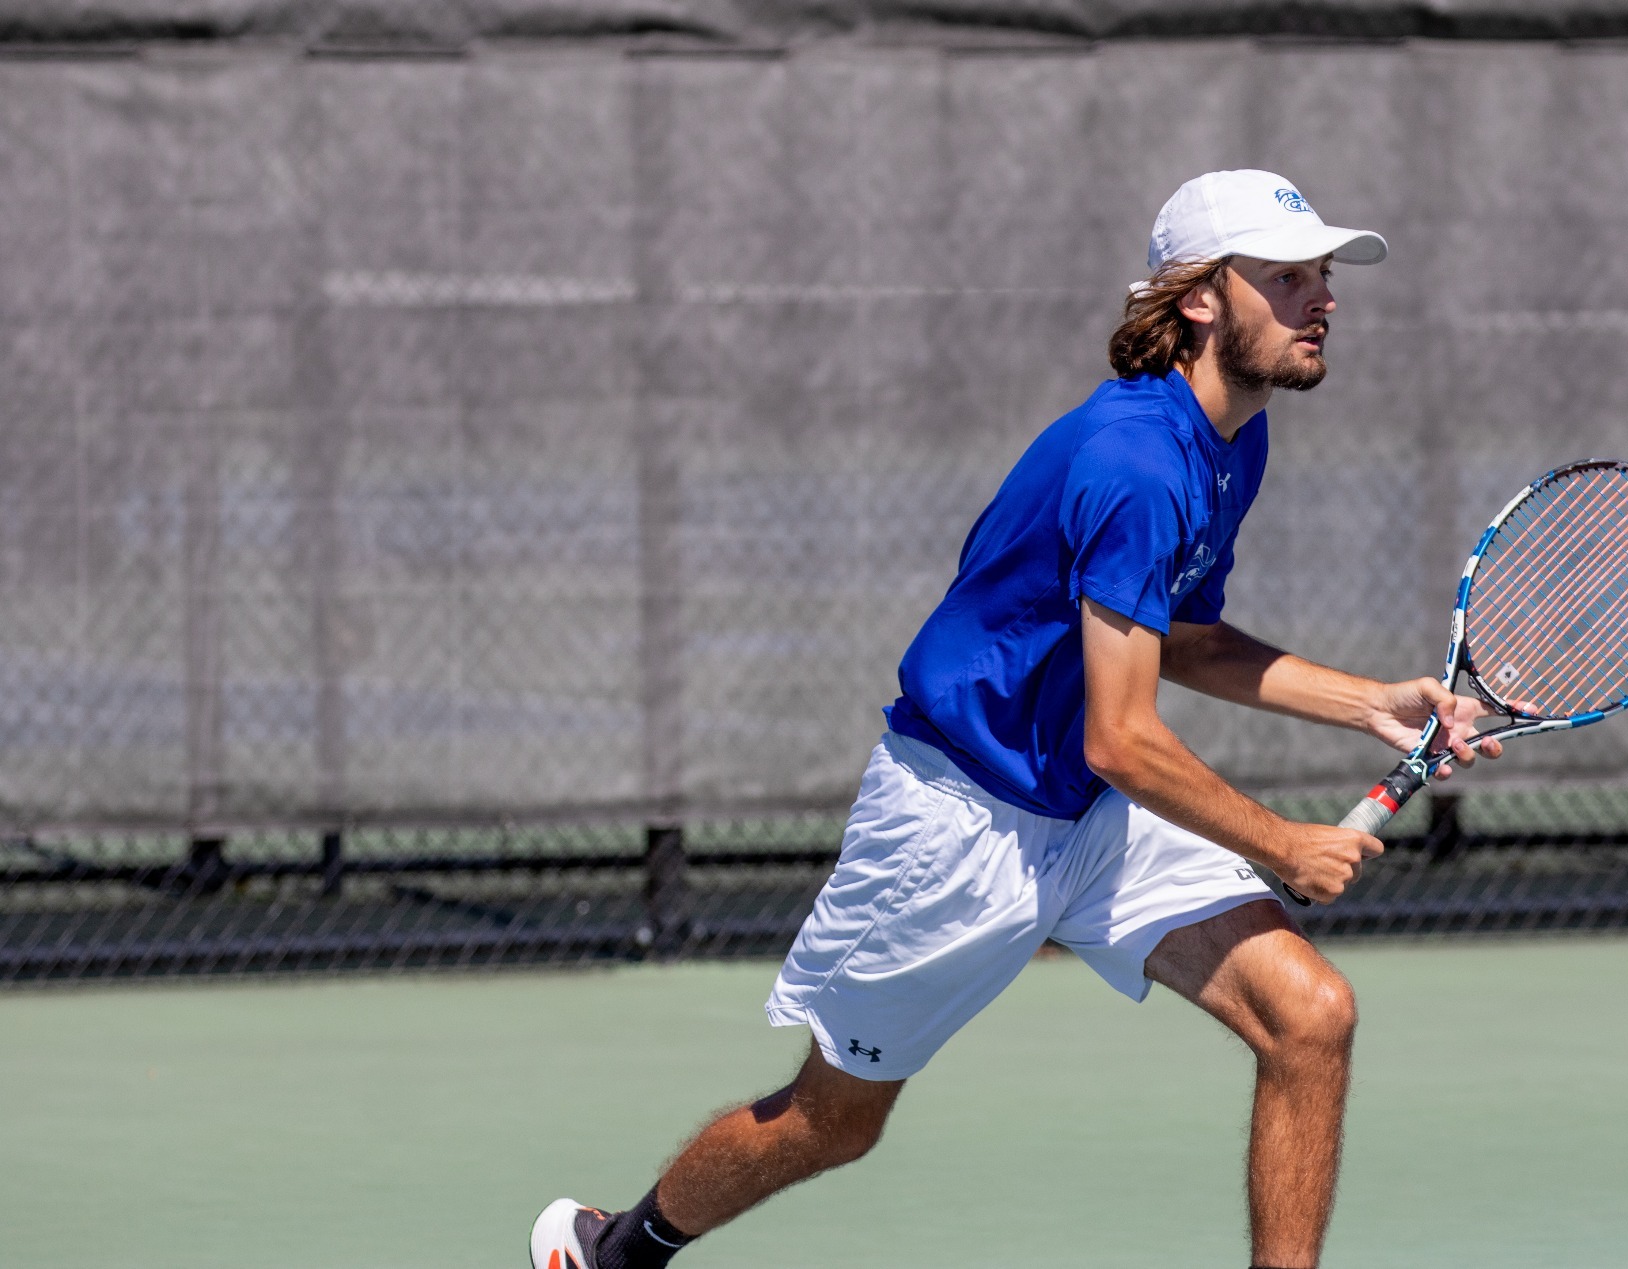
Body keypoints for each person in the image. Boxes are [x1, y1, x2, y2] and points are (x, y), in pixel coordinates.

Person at [531, 169, 1500, 1269]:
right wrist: (1280, 843)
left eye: (1321, 275)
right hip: (958, 827)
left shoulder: (1231, 440)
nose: (1317, 298)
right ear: (1197, 298)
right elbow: (1121, 737)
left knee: (1309, 1016)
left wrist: (1367, 700)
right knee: (832, 1120)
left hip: (1089, 818)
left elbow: (1176, 635)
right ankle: (615, 1250)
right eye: (1282, 278)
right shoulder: (1135, 463)